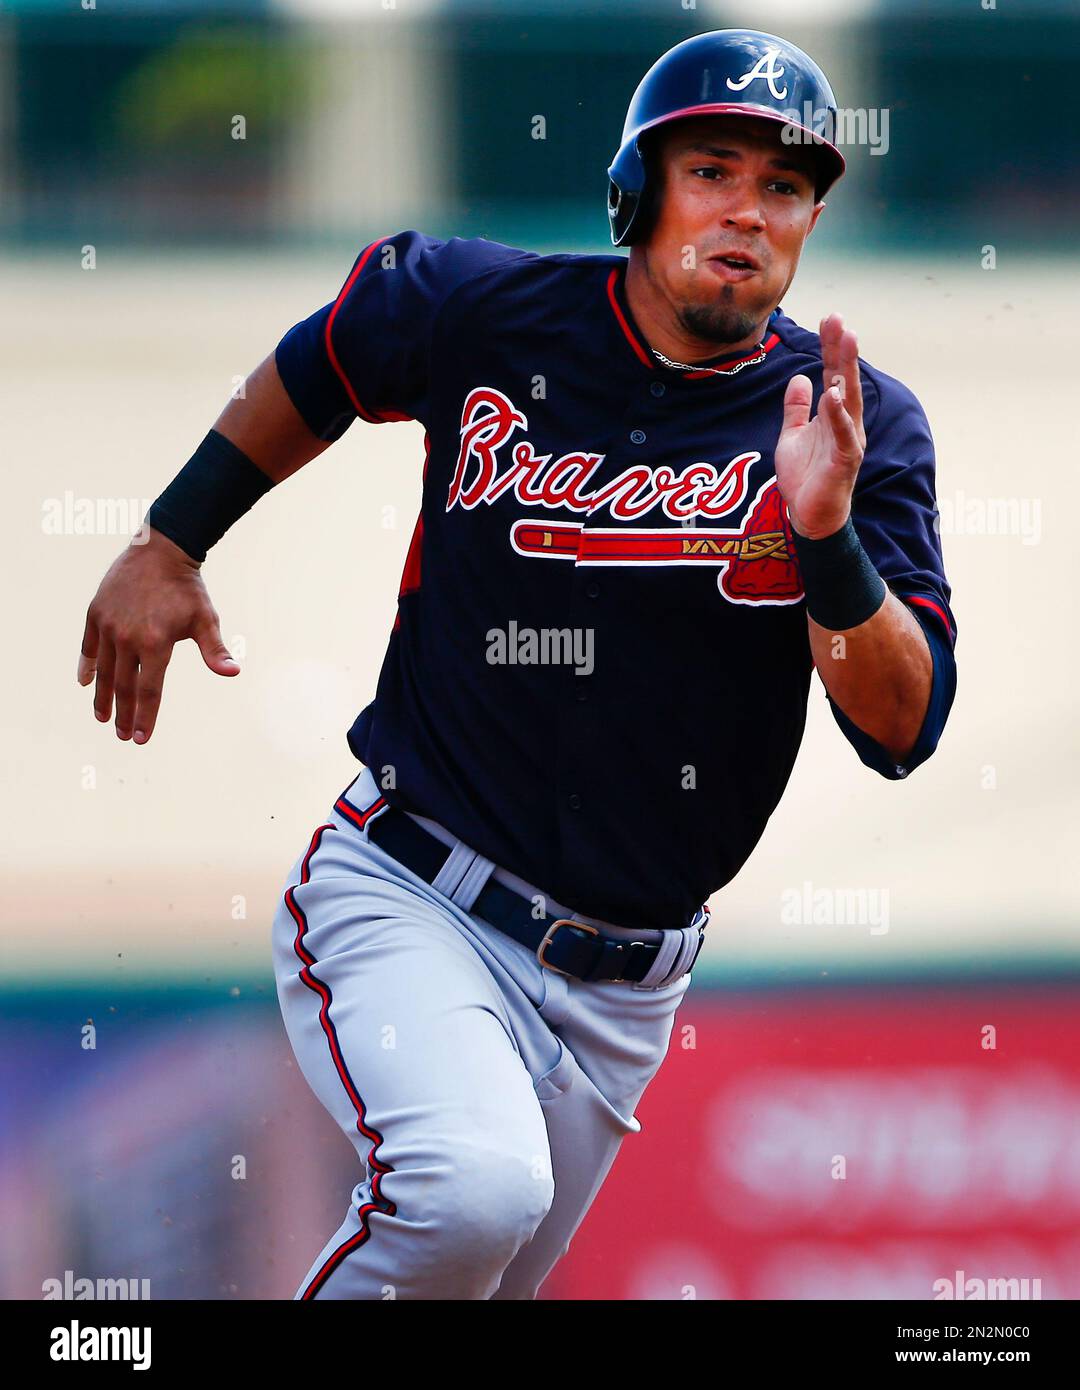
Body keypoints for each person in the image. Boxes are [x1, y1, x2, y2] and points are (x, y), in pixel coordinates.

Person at [77, 30, 956, 1299]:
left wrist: (823, 536)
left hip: (626, 991)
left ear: (812, 220)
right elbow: (335, 349)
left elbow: (900, 723)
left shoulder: (850, 419)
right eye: (712, 169)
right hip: (416, 892)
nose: (747, 211)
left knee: (468, 1266)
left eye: (783, 187)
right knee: (470, 1191)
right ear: (638, 191)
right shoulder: (487, 312)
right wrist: (173, 536)